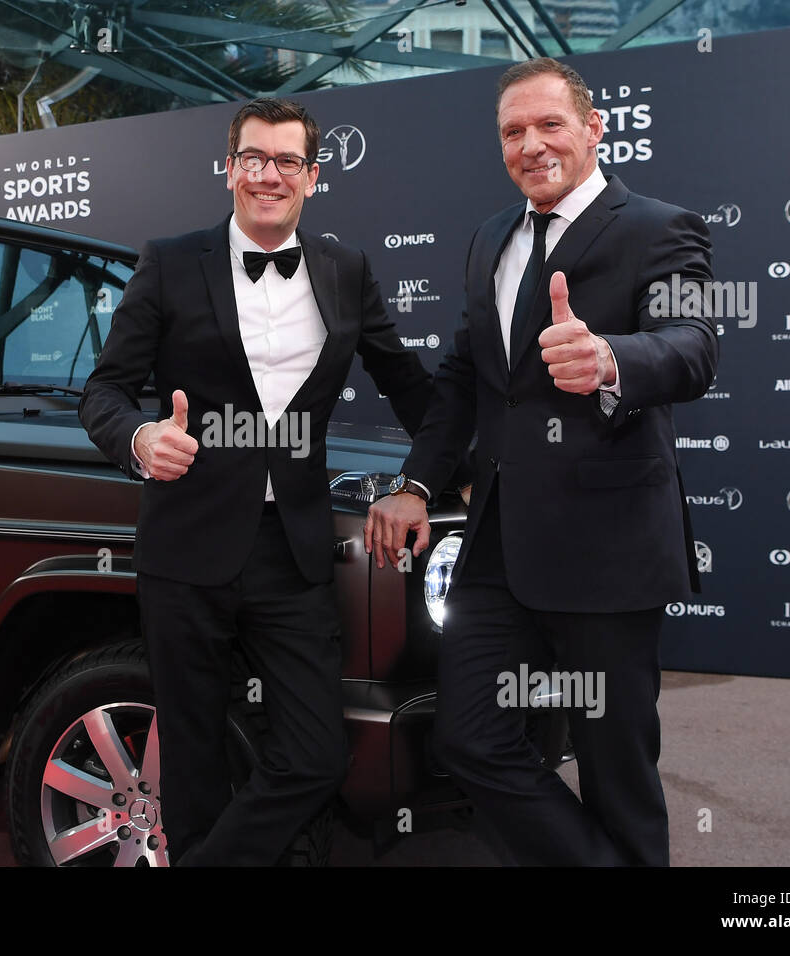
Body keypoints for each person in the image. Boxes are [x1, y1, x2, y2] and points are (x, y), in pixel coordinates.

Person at [79, 97, 453, 865]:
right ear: (229, 169)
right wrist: (142, 437)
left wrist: (432, 478)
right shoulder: (170, 261)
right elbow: (103, 393)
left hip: (294, 551)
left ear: (313, 177)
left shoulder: (346, 270)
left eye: (287, 161)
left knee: (316, 754)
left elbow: (411, 387)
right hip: (187, 546)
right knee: (193, 758)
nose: (269, 174)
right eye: (253, 158)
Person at [365, 57, 718, 866]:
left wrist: (611, 359)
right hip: (500, 547)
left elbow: (694, 345)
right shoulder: (492, 237)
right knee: (470, 738)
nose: (532, 144)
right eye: (513, 132)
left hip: (611, 545)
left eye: (549, 124)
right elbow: (465, 377)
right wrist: (417, 483)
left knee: (616, 771)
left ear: (595, 128)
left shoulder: (661, 226)